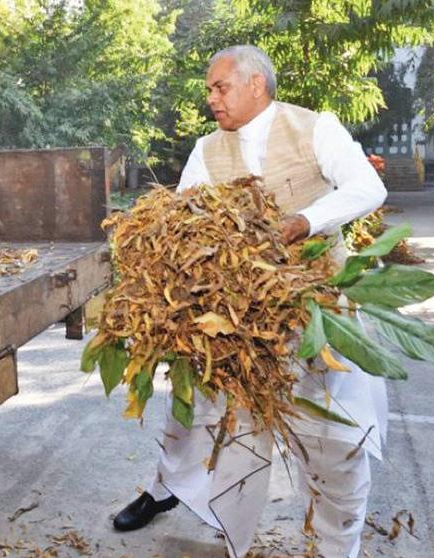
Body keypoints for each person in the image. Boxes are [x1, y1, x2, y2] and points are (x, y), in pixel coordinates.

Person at [110, 45, 388, 558]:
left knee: (333, 432)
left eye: (220, 87)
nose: (210, 98)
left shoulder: (314, 128)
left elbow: (367, 188)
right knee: (199, 415)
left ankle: (336, 545)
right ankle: (164, 491)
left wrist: (304, 221)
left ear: (255, 84)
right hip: (234, 317)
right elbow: (184, 221)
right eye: (210, 90)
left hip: (313, 306)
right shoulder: (206, 149)